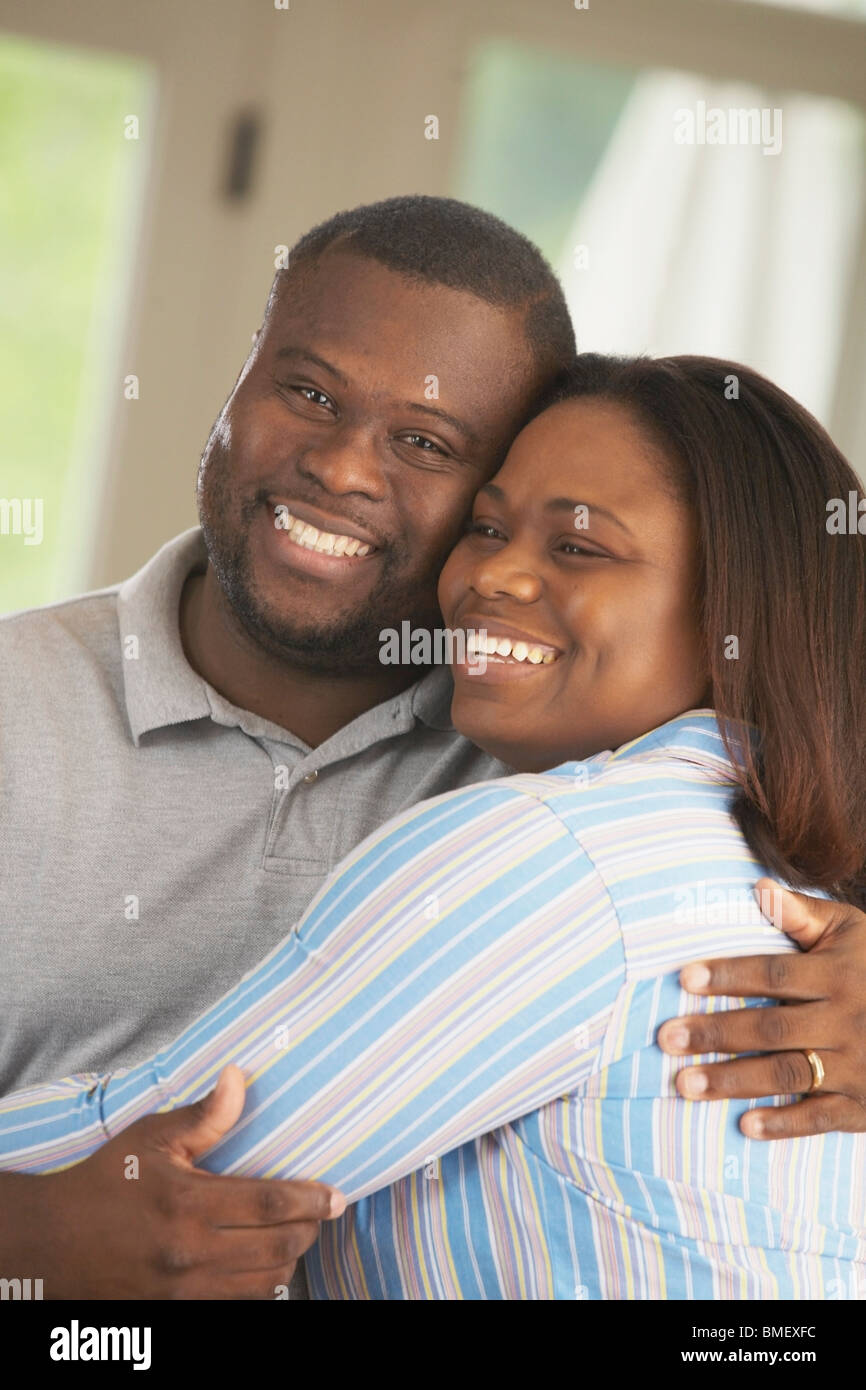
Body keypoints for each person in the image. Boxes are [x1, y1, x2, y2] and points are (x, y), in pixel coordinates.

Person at [3, 353, 864, 1299]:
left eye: (577, 547)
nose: (495, 574)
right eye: (486, 527)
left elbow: (179, 1150)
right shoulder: (779, 860)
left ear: (734, 605)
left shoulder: (553, 851)